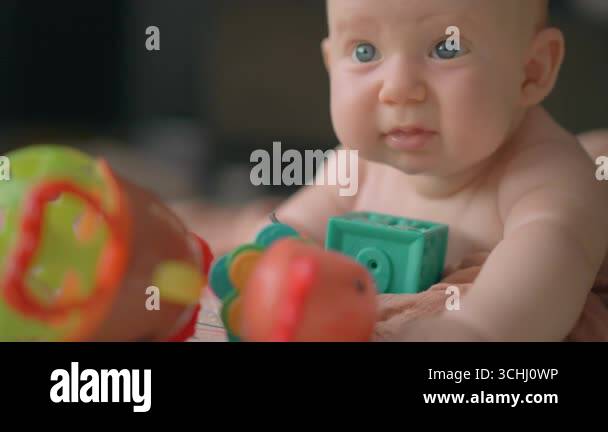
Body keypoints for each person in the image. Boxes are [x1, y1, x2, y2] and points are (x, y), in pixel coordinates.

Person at [176, 0, 608, 341]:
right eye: (365, 51)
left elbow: (549, 263)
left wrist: (474, 331)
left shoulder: (548, 175)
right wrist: (267, 265)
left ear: (531, 71)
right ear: (331, 63)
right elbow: (297, 225)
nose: (398, 88)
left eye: (447, 48)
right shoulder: (358, 164)